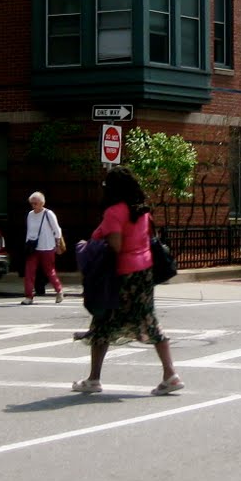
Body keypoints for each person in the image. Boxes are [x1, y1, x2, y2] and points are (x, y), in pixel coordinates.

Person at [72, 165, 183, 397]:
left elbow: (116, 246)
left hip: (121, 275)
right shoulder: (141, 210)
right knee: (148, 320)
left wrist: (94, 242)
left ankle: (94, 379)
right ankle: (169, 373)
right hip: (144, 272)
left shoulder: (114, 212)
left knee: (103, 321)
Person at [22, 191, 64, 305]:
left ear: (42, 203)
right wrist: (27, 245)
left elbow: (57, 229)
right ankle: (28, 296)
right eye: (32, 203)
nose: (33, 205)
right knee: (29, 272)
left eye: (36, 203)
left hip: (47, 246)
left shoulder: (48, 214)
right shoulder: (30, 214)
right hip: (32, 247)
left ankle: (59, 290)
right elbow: (29, 231)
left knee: (49, 270)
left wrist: (58, 244)